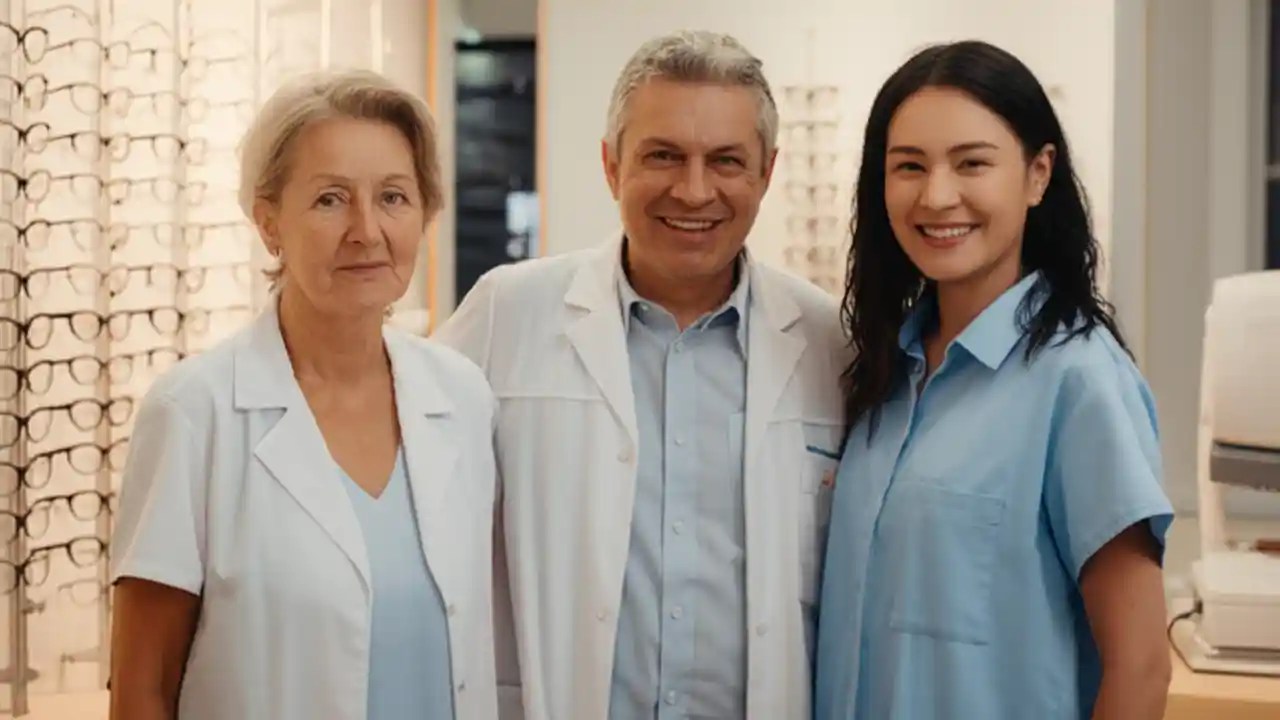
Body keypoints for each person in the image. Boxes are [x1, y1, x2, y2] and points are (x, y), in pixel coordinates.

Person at [435, 30, 849, 720]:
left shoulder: (827, 341)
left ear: (767, 174)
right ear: (610, 164)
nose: (694, 190)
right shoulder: (509, 312)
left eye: (726, 161)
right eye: (663, 156)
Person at [107, 69, 499, 720]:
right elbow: (142, 691)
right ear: (269, 222)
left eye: (394, 197)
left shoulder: (461, 397)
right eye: (329, 199)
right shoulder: (194, 414)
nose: (367, 231)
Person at [813, 40, 1174, 720]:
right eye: (908, 167)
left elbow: (1142, 668)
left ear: (1038, 175)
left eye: (972, 162)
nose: (937, 195)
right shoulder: (885, 376)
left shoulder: (1080, 382)